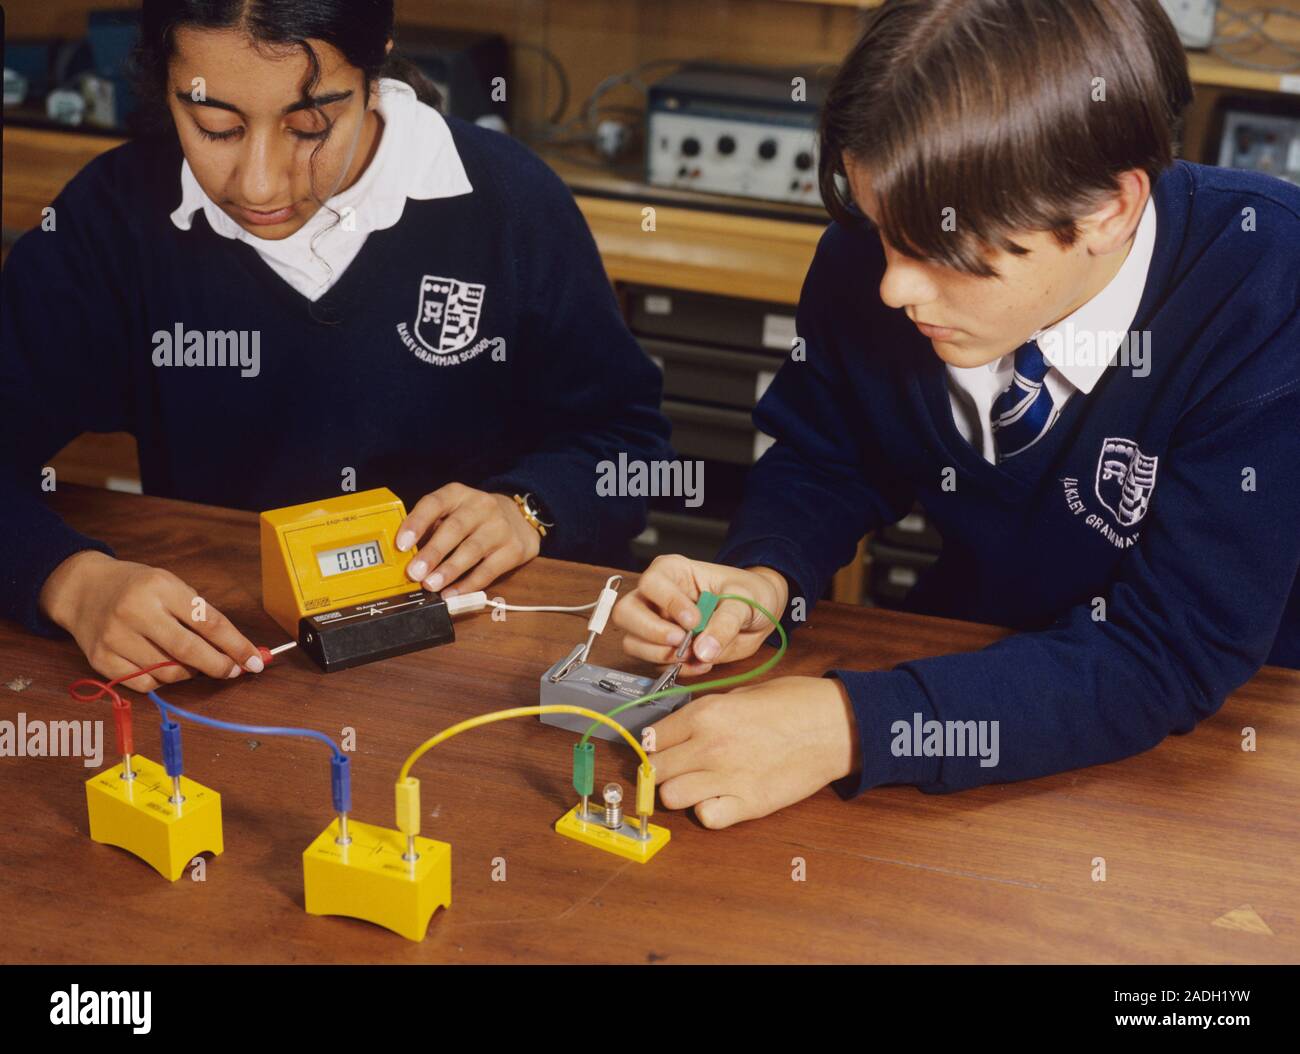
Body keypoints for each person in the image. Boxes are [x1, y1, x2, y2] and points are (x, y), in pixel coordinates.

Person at [614, 0, 1300, 828]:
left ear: (1107, 212)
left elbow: (1168, 652)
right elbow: (831, 456)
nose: (894, 288)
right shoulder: (872, 258)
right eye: (882, 232)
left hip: (1218, 736)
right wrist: (768, 575)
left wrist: (853, 727)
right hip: (968, 661)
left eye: (943, 252)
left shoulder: (1267, 290)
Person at [0, 0, 671, 692]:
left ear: (376, 63)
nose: (259, 183)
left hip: (471, 662)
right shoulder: (109, 223)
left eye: (311, 125)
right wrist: (67, 580)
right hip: (234, 661)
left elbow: (629, 443)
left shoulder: (509, 203)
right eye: (215, 127)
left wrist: (530, 508)